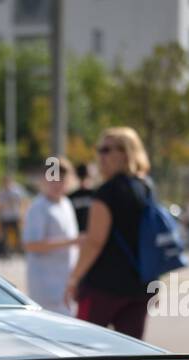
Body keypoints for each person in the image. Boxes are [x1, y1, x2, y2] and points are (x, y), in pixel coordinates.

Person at [64, 127, 156, 339]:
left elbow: (95, 241)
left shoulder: (106, 192)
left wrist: (74, 278)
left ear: (125, 153)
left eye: (106, 150)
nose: (100, 156)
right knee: (131, 358)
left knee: (82, 350)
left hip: (103, 286)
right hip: (140, 287)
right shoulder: (147, 188)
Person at [22, 158, 80, 314]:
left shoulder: (66, 203)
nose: (57, 184)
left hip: (65, 282)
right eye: (52, 179)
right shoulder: (38, 207)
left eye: (61, 179)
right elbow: (31, 244)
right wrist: (71, 242)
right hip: (45, 285)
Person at [0, 174, 27, 253]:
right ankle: (6, 251)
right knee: (4, 235)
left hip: (15, 215)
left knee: (18, 234)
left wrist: (22, 214)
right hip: (5, 216)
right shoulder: (0, 191)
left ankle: (20, 250)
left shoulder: (16, 190)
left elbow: (21, 202)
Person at [67, 162, 96, 233]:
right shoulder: (70, 197)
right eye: (81, 177)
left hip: (93, 234)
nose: (84, 180)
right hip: (77, 235)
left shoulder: (97, 195)